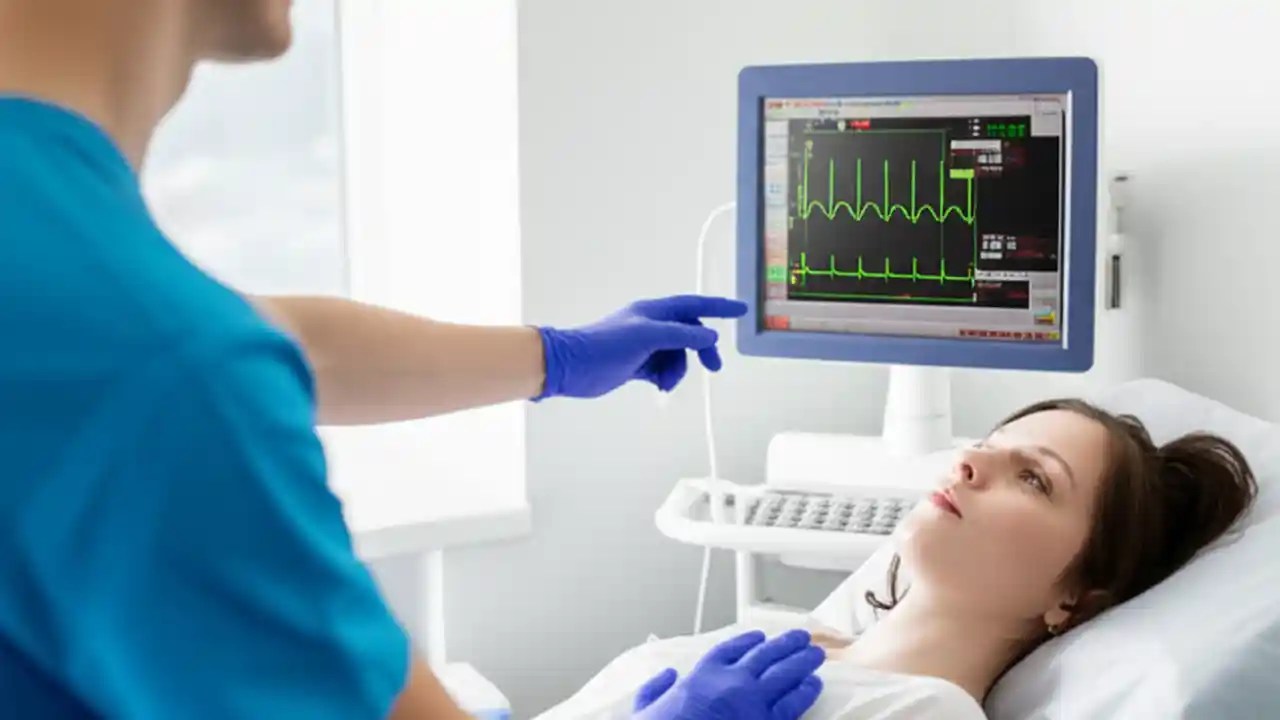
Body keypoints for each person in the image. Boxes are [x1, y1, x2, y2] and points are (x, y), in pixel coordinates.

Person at [0, 1, 824, 718]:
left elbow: (271, 338)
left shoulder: (54, 249)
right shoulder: (163, 373)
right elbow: (183, 361)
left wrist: (559, 357)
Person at [536, 398, 1259, 718]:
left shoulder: (927, 713)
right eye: (989, 445)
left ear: (1075, 597)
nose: (974, 464)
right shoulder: (783, 646)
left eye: (1034, 478)